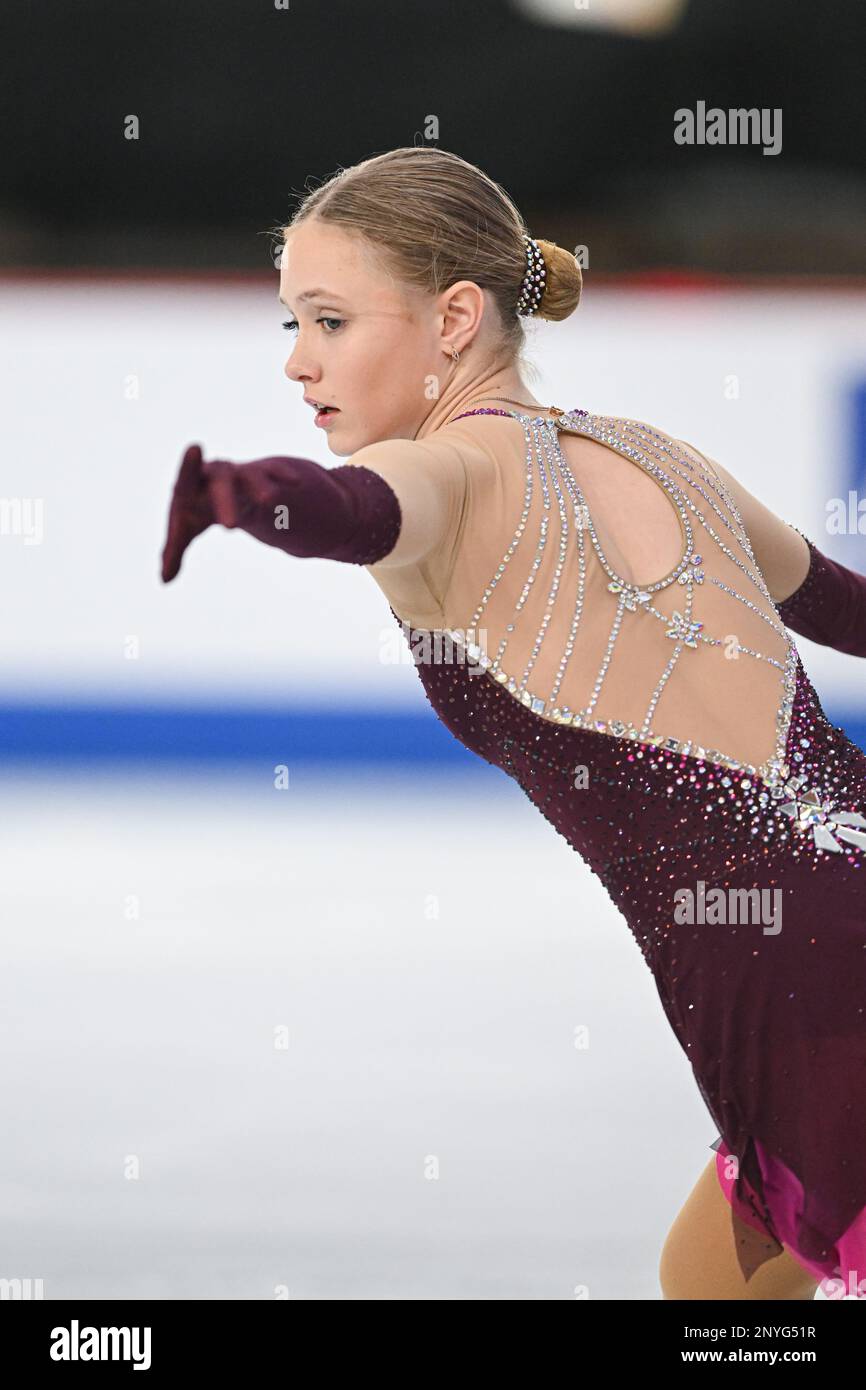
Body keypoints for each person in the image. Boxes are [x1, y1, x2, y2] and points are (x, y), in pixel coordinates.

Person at [161, 146, 866, 1301]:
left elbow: (367, 504)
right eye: (290, 323)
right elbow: (847, 606)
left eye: (329, 321)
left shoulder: (448, 470)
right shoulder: (662, 452)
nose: (297, 362)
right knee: (712, 1290)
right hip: (821, 933)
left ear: (452, 318)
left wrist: (249, 495)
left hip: (798, 991)